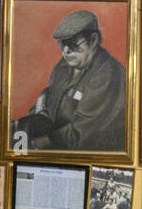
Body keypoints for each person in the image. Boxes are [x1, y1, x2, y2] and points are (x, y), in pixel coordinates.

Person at [11, 10, 126, 154]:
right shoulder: (64, 66)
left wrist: (34, 144)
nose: (66, 51)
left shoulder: (108, 73)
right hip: (58, 146)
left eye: (73, 43)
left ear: (93, 40)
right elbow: (49, 97)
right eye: (62, 44)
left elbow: (85, 130)